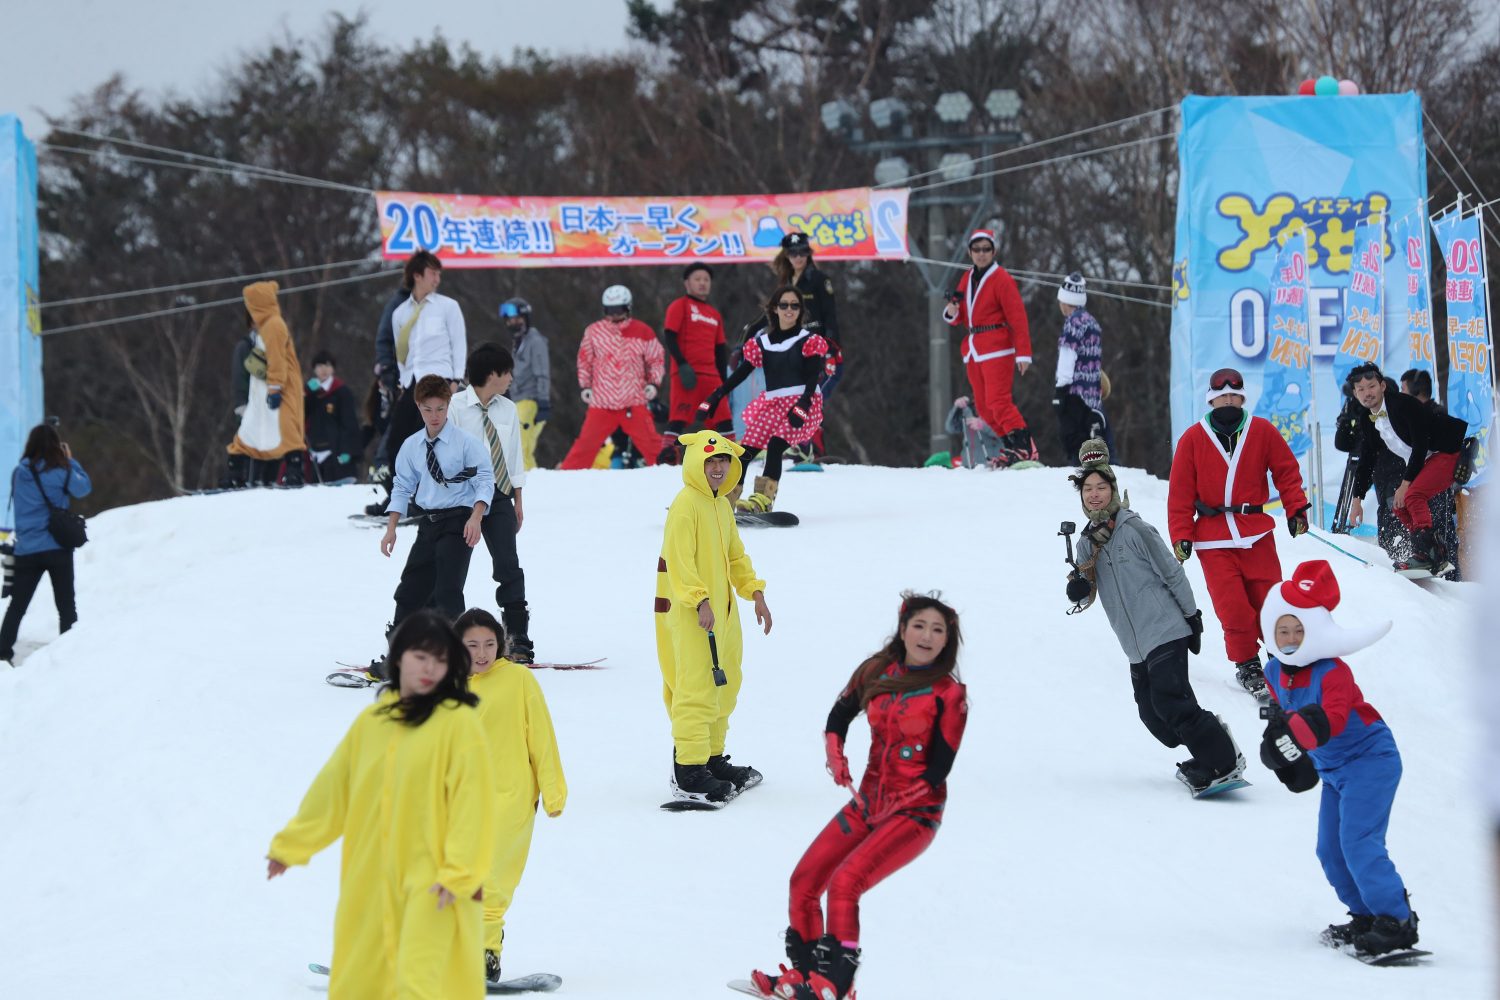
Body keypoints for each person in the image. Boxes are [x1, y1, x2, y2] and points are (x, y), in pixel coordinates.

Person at [266, 610, 498, 1000]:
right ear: (400, 657)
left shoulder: (459, 723)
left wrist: (460, 871)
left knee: (422, 982)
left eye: (440, 660)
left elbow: (473, 802)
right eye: (421, 657)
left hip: (434, 880)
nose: (430, 668)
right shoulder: (372, 723)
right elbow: (333, 791)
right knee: (363, 980)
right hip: (371, 876)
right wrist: (292, 845)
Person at [748, 594, 967, 1000]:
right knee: (804, 882)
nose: (927, 636)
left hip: (916, 812)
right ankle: (810, 977)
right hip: (868, 802)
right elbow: (840, 715)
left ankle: (836, 983)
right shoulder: (876, 670)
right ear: (903, 630)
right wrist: (835, 753)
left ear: (946, 641)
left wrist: (903, 799)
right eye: (920, 625)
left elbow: (940, 767)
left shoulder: (948, 694)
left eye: (938, 630)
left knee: (846, 881)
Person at [1257, 560, 1417, 956]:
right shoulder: (1273, 672)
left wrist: (1300, 735)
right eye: (1283, 631)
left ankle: (1396, 921)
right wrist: (1285, 754)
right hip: (1332, 770)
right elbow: (1284, 719)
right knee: (1329, 849)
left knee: (1358, 841)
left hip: (1370, 760)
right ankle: (1365, 915)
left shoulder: (1333, 672)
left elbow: (1333, 717)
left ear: (1314, 631)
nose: (1291, 638)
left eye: (1299, 630)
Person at [1065, 438, 1242, 792]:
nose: (1095, 495)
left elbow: (1171, 571)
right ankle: (1209, 744)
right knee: (1154, 717)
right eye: (1088, 489)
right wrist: (1078, 590)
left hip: (1165, 629)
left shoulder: (1134, 529)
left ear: (1113, 489)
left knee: (1170, 701)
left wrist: (1192, 617)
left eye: (1102, 487)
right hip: (1135, 646)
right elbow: (1087, 593)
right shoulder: (1086, 545)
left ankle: (1224, 761)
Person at [1167, 366, 1309, 701]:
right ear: (1212, 401)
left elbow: (1286, 471)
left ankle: (1281, 656)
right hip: (1213, 538)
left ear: (1242, 398)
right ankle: (1248, 664)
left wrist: (1296, 508)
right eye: (1221, 397)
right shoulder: (1192, 439)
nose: (1228, 400)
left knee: (1270, 600)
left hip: (1255, 532)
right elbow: (1180, 493)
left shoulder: (1261, 431)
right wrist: (1181, 534)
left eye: (1234, 396)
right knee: (1232, 607)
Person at [654, 430, 772, 803]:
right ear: (695, 464)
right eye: (711, 461)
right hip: (691, 613)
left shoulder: (721, 505)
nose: (718, 468)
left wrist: (754, 591)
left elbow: (735, 555)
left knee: (726, 683)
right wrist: (699, 599)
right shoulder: (686, 505)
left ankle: (711, 758)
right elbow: (680, 561)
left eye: (724, 461)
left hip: (722, 613)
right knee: (695, 688)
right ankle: (688, 770)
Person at [454, 607, 567, 987]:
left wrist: (553, 791)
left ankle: (486, 957)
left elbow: (541, 736)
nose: (482, 653)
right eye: (472, 645)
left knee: (492, 880)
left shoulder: (518, 680)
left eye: (489, 644)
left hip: (510, 799)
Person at [375, 375, 494, 674]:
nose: (435, 416)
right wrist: (391, 528)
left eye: (440, 409)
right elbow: (401, 487)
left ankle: (452, 657)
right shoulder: (411, 446)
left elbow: (484, 480)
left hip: (458, 522)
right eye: (428, 409)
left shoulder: (466, 443)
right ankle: (399, 654)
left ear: (448, 405)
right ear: (418, 407)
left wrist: (476, 517)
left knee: (447, 592)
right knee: (410, 589)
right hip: (427, 524)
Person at [696, 287, 828, 512]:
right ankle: (726, 498)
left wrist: (804, 405)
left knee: (776, 446)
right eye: (784, 305)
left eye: (794, 305)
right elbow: (742, 372)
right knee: (744, 452)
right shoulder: (763, 343)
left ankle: (763, 500)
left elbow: (813, 375)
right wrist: (716, 395)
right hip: (774, 404)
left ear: (800, 311)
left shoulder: (808, 340)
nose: (789, 310)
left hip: (801, 402)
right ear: (774, 309)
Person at [450, 344, 535, 662]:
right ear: (492, 375)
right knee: (454, 570)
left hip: (499, 496)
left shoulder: (507, 409)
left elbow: (514, 456)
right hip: (463, 500)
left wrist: (518, 498)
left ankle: (517, 637)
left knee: (508, 566)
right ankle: (454, 638)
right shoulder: (456, 407)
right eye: (507, 372)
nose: (512, 378)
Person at [1346, 362, 1466, 575]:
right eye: (1361, 390)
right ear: (1355, 394)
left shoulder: (1403, 404)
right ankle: (1430, 553)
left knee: (1412, 496)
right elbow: (1366, 460)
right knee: (1399, 505)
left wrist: (1405, 484)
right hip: (1428, 459)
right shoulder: (1367, 419)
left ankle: (1428, 554)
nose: (1367, 393)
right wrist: (1357, 500)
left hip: (1446, 452)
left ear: (1383, 386)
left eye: (1371, 386)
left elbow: (1420, 444)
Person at [941, 229, 1037, 467]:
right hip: (974, 348)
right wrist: (952, 312)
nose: (981, 254)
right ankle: (1011, 446)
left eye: (986, 249)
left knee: (998, 401)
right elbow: (960, 312)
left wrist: (1023, 352)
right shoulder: (967, 277)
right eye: (977, 250)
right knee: (983, 407)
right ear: (970, 252)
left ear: (993, 252)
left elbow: (1018, 317)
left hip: (997, 346)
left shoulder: (1002, 278)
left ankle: (1024, 446)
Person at [0, 423, 91, 666]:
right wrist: (69, 460)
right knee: (65, 604)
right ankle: (69, 654)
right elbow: (83, 488)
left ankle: (2, 652)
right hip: (57, 548)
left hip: (27, 549)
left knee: (18, 605)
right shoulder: (62, 471)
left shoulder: (20, 473)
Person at [558, 285, 665, 470]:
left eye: (619, 310)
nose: (615, 314)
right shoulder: (594, 332)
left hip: (633, 400)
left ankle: (671, 472)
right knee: (585, 445)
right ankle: (566, 476)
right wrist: (585, 386)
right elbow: (584, 360)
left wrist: (653, 383)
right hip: (602, 402)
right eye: (610, 310)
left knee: (652, 443)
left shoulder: (642, 331)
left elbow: (656, 359)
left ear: (628, 308)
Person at [387, 251, 468, 472]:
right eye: (433, 273)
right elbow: (400, 352)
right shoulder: (400, 313)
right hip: (413, 382)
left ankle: (433, 494)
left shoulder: (448, 306)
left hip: (441, 379)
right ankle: (400, 495)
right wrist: (404, 384)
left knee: (434, 439)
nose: (437, 279)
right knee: (398, 440)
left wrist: (455, 381)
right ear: (417, 275)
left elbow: (459, 345)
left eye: (439, 274)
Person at [227, 281, 307, 487]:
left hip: (279, 388)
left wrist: (275, 388)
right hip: (264, 389)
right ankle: (236, 473)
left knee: (286, 428)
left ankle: (293, 471)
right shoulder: (268, 325)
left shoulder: (273, 325)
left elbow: (277, 359)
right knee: (250, 429)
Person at [657, 263, 731, 463]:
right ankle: (668, 456)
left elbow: (720, 350)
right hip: (686, 373)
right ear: (687, 283)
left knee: (723, 417)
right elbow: (670, 336)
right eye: (698, 279)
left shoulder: (714, 314)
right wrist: (681, 364)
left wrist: (724, 384)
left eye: (706, 280)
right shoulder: (679, 305)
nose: (702, 283)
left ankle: (727, 455)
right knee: (679, 417)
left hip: (712, 376)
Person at [1400, 368, 1460, 577]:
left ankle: (1445, 569)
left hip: (1435, 485)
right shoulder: (1418, 413)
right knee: (1405, 506)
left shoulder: (1434, 414)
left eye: (1403, 389)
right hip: (1424, 478)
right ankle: (1423, 553)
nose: (1400, 395)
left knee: (1443, 532)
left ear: (1416, 390)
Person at [1053, 272, 1111, 460]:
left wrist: (1060, 390)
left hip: (1075, 393)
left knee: (1073, 443)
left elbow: (1067, 356)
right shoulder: (1092, 321)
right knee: (1093, 444)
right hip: (1093, 396)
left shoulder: (1072, 323)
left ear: (1063, 302)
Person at [366, 279, 412, 513]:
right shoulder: (400, 303)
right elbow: (385, 339)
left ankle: (415, 497)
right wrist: (387, 371)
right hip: (403, 381)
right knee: (395, 441)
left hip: (428, 379)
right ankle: (397, 495)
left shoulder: (439, 305)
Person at [501, 297, 551, 471]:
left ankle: (530, 481)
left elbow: (542, 373)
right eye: (509, 320)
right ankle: (533, 481)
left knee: (521, 448)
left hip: (531, 402)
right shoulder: (519, 342)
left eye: (517, 319)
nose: (513, 323)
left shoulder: (535, 342)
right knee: (521, 449)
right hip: (518, 401)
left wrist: (543, 402)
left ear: (526, 318)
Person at [303, 350, 363, 484]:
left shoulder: (341, 392)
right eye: (319, 366)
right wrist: (306, 395)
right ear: (314, 369)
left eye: (327, 365)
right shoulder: (309, 392)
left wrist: (348, 450)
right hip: (314, 454)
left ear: (333, 368)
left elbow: (349, 423)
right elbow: (302, 418)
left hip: (335, 454)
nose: (323, 369)